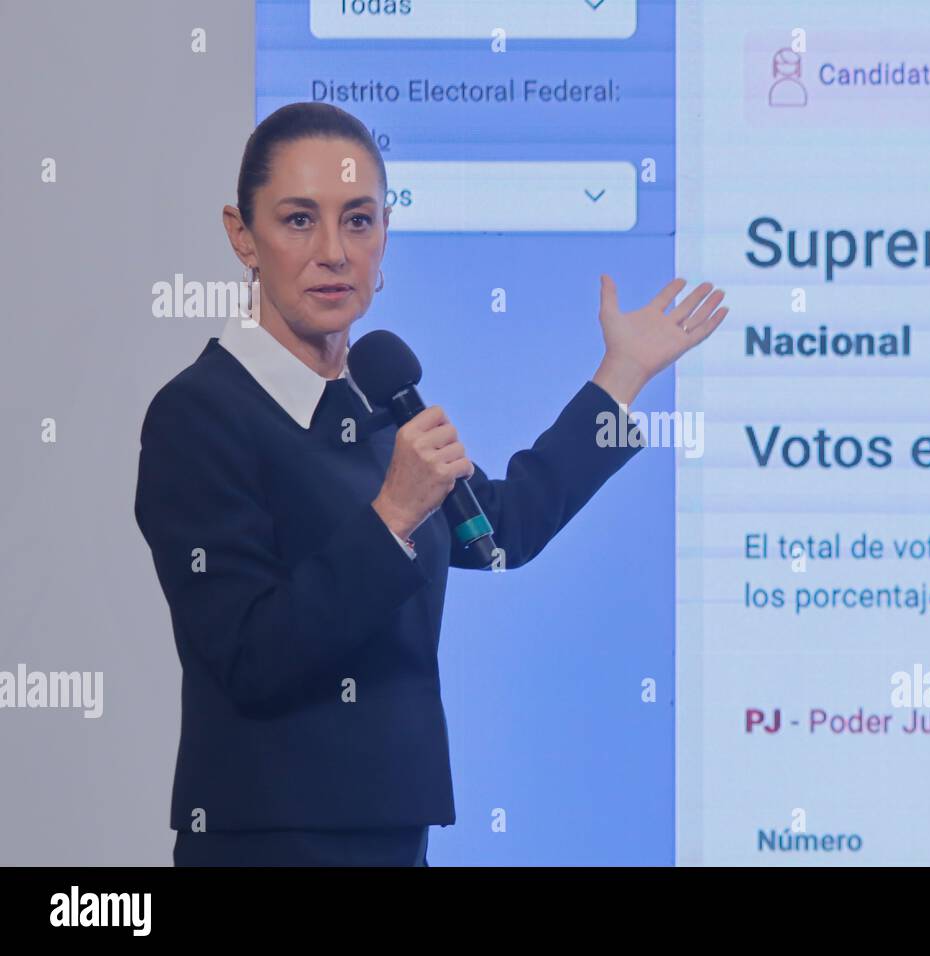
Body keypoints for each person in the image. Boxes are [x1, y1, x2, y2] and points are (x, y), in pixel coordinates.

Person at [133, 102, 728, 866]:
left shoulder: (374, 399)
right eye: (297, 220)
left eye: (358, 221)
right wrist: (390, 517)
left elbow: (497, 531)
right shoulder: (199, 416)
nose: (333, 253)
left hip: (394, 833)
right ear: (241, 236)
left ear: (386, 235)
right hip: (270, 841)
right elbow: (251, 657)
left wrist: (620, 377)